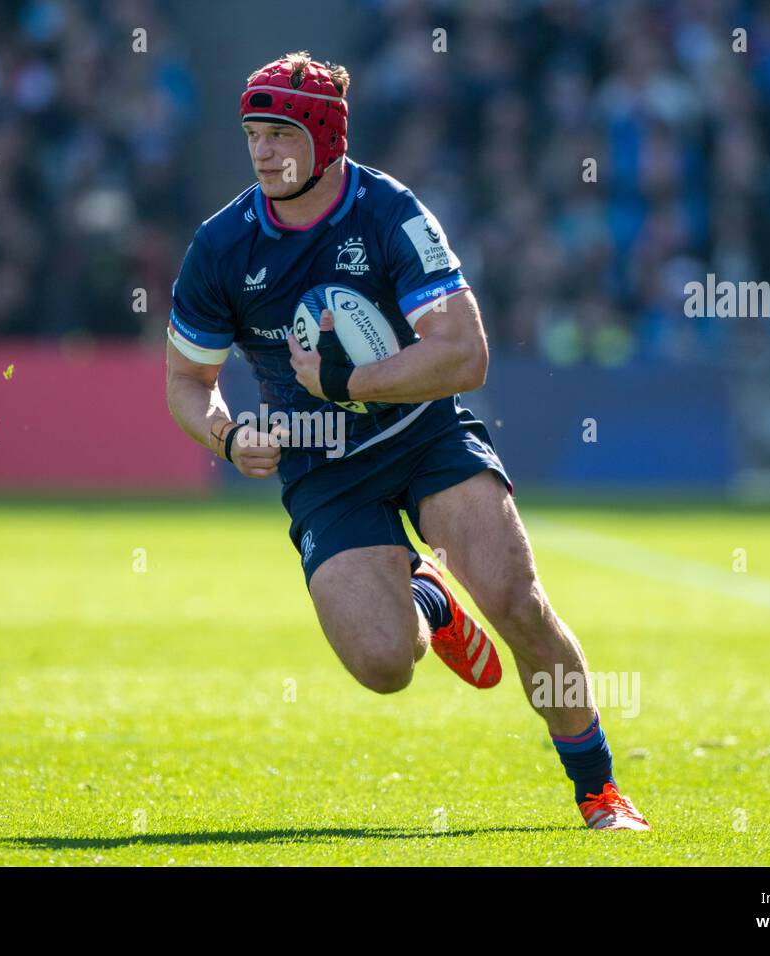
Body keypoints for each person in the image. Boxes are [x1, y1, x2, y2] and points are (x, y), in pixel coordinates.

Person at [165, 52, 649, 830]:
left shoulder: (390, 213)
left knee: (518, 604)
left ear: (324, 140)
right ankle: (429, 595)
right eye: (253, 133)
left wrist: (350, 383)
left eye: (280, 133)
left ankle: (599, 792)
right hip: (323, 472)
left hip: (424, 438)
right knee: (386, 664)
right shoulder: (223, 245)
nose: (261, 152)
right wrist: (226, 437)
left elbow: (465, 352)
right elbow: (186, 382)